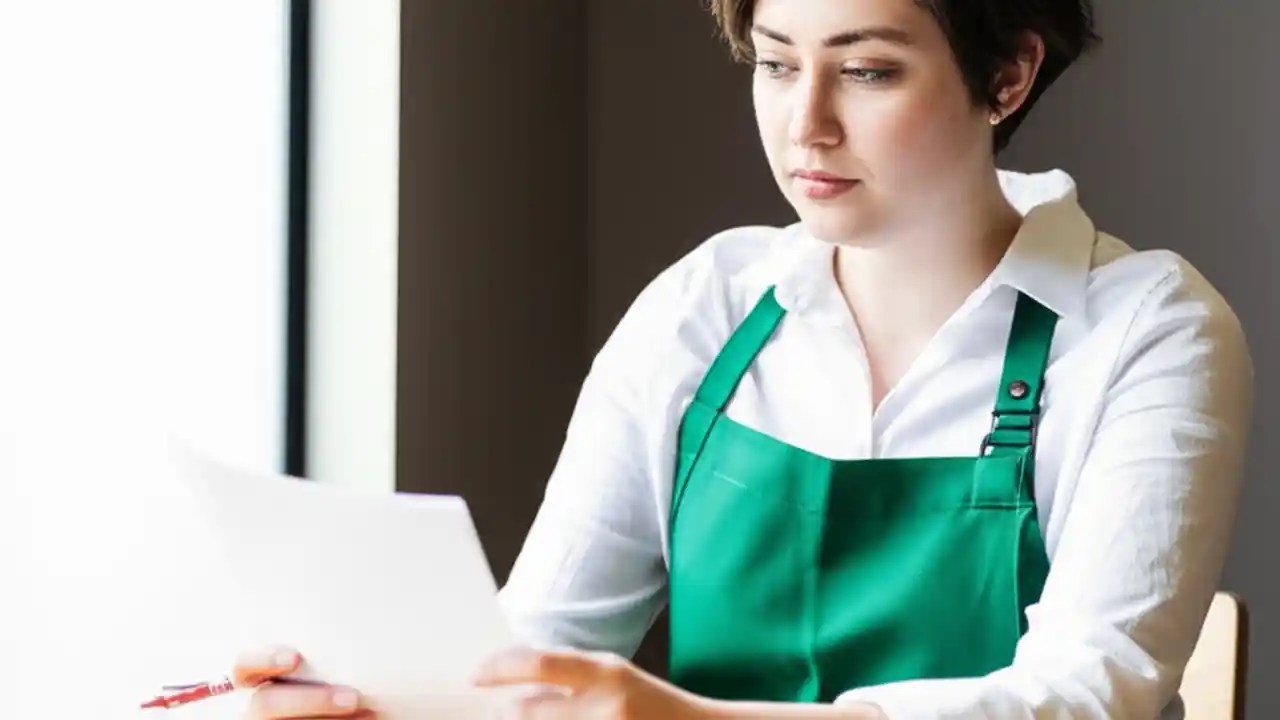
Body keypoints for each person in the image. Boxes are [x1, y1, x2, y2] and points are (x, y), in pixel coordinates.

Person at [239, 0, 1253, 717]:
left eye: (864, 70)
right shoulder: (705, 307)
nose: (802, 123)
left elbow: (1082, 698)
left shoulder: (1142, 330)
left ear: (1006, 73)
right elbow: (535, 654)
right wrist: (368, 697)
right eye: (775, 62)